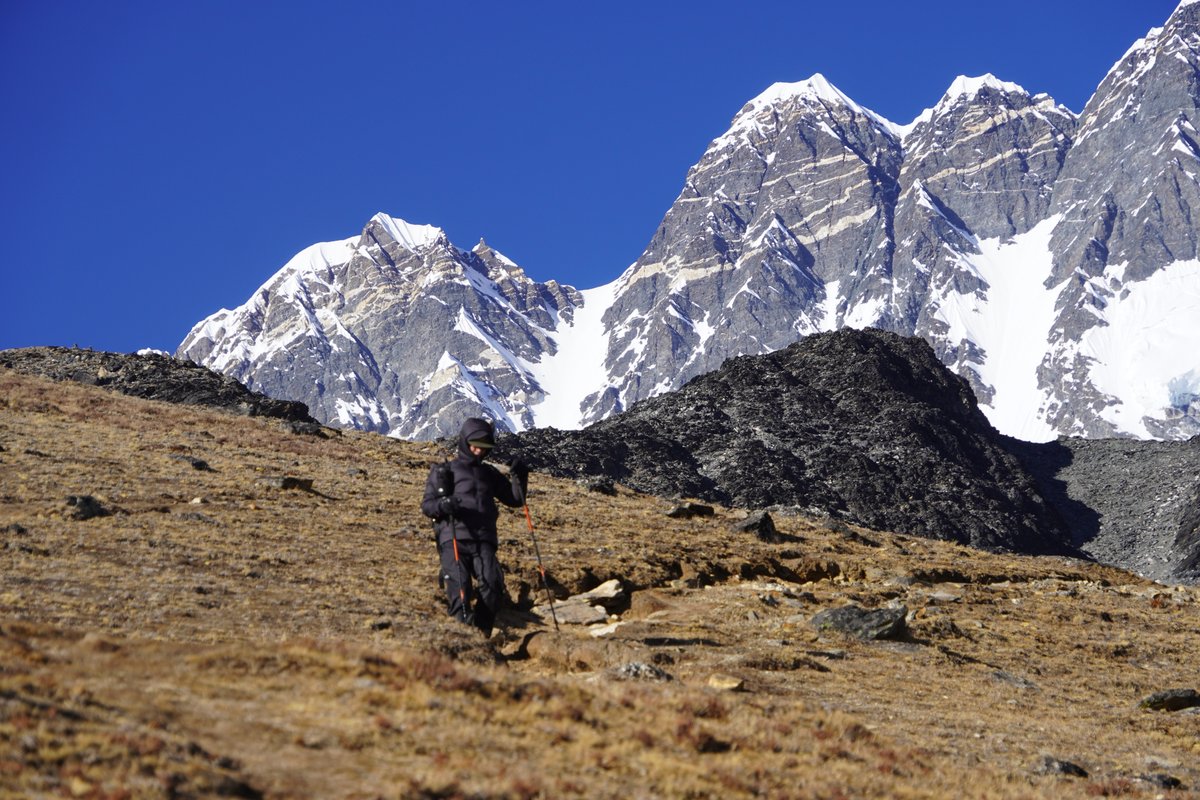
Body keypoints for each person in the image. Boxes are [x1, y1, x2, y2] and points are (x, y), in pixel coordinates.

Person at [421, 417, 528, 636]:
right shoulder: (446, 472)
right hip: (454, 537)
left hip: (484, 540)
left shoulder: (489, 474)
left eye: (484, 447)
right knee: (460, 590)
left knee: (492, 585)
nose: (479, 451)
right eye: (475, 445)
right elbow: (428, 505)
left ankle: (481, 634)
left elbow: (515, 500)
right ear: (465, 442)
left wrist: (520, 477)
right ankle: (462, 638)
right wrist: (445, 505)